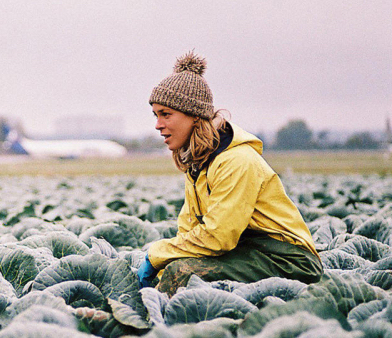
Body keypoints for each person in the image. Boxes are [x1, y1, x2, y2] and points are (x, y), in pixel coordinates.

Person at [136, 52, 322, 295]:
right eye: (156, 115)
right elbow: (189, 229)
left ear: (194, 116)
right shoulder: (199, 163)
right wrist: (163, 263)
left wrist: (156, 255)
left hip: (288, 260)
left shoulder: (236, 161)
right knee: (174, 268)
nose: (158, 125)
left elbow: (218, 237)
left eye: (166, 114)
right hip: (246, 252)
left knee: (182, 273)